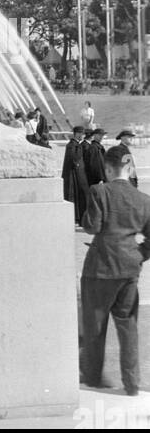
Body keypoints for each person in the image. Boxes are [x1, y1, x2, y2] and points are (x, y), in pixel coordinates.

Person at [79, 144, 150, 395]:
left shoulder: (99, 191)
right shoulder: (144, 200)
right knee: (128, 327)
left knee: (95, 327)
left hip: (99, 269)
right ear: (129, 168)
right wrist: (138, 255)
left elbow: (91, 226)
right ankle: (131, 383)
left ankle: (92, 377)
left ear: (108, 169)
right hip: (129, 270)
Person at [61, 126, 89, 226]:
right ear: (77, 134)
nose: (83, 135)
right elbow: (74, 160)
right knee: (74, 195)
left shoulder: (75, 145)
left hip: (77, 174)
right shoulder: (72, 145)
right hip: (73, 176)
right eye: (81, 133)